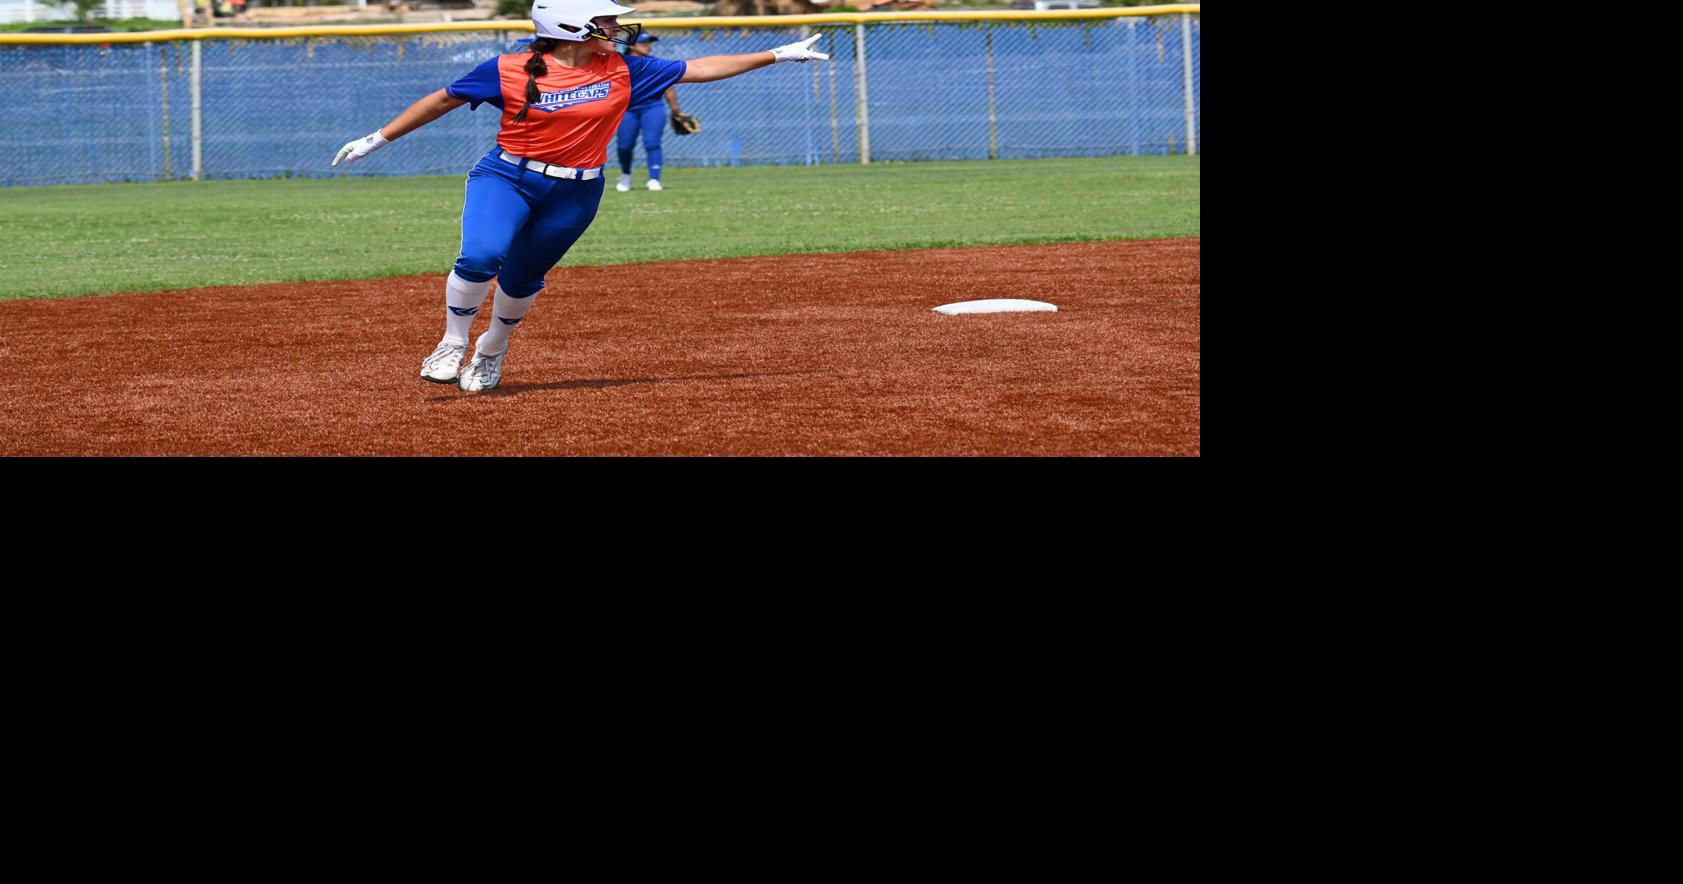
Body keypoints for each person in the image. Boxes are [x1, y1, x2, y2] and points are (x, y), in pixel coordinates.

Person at [331, 0, 827, 392]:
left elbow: (701, 67)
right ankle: (450, 342)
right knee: (482, 254)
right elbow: (443, 99)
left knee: (524, 278)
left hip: (577, 190)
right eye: (604, 19)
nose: (615, 26)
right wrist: (378, 138)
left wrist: (778, 55)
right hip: (506, 176)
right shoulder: (507, 67)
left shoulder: (623, 67)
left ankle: (491, 350)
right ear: (570, 26)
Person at [615, 33, 682, 192]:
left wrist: (676, 111)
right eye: (643, 43)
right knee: (625, 146)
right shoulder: (619, 63)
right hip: (627, 109)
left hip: (652, 107)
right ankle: (626, 175)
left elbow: (668, 87)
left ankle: (654, 179)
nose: (648, 46)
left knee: (652, 143)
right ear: (632, 45)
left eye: (649, 43)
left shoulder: (655, 63)